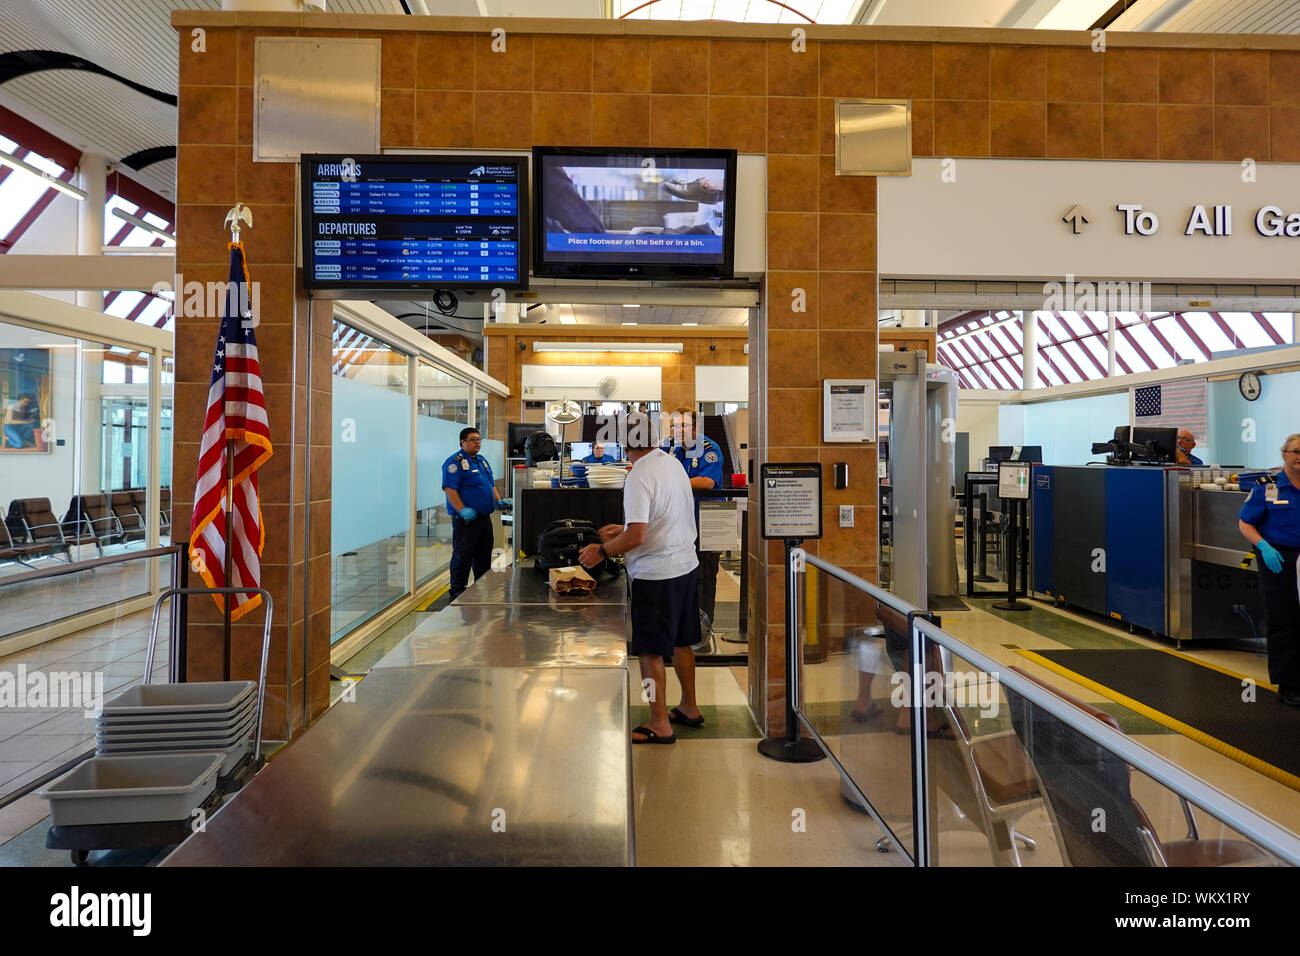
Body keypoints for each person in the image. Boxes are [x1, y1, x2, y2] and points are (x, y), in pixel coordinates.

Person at [578, 412, 702, 743]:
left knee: (649, 651)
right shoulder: (671, 463)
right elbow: (663, 517)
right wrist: (623, 529)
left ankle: (659, 722)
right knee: (681, 642)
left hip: (656, 575)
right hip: (686, 567)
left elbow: (638, 538)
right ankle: (689, 706)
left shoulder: (638, 476)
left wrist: (601, 550)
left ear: (626, 442)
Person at [1238, 433, 1300, 707]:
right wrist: (1264, 547)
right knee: (1284, 619)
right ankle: (1288, 683)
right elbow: (1245, 523)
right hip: (1278, 557)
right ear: (1284, 454)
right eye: (1296, 451)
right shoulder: (1268, 487)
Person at [665, 408, 724, 637]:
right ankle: (685, 625)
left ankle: (704, 629)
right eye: (675, 426)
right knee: (683, 574)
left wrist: (674, 481)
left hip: (708, 522)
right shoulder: (672, 449)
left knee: (706, 576)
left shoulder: (710, 449)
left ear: (695, 428)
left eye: (684, 426)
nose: (679, 431)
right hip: (682, 523)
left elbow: (707, 482)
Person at [441, 427, 510, 601]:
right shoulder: (454, 462)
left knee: (483, 554)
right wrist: (462, 509)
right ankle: (457, 590)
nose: (477, 442)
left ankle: (482, 583)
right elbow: (450, 489)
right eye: (472, 439)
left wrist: (497, 499)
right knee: (463, 555)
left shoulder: (481, 461)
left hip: (484, 518)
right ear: (462, 442)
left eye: (479, 439)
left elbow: (490, 483)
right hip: (466, 520)